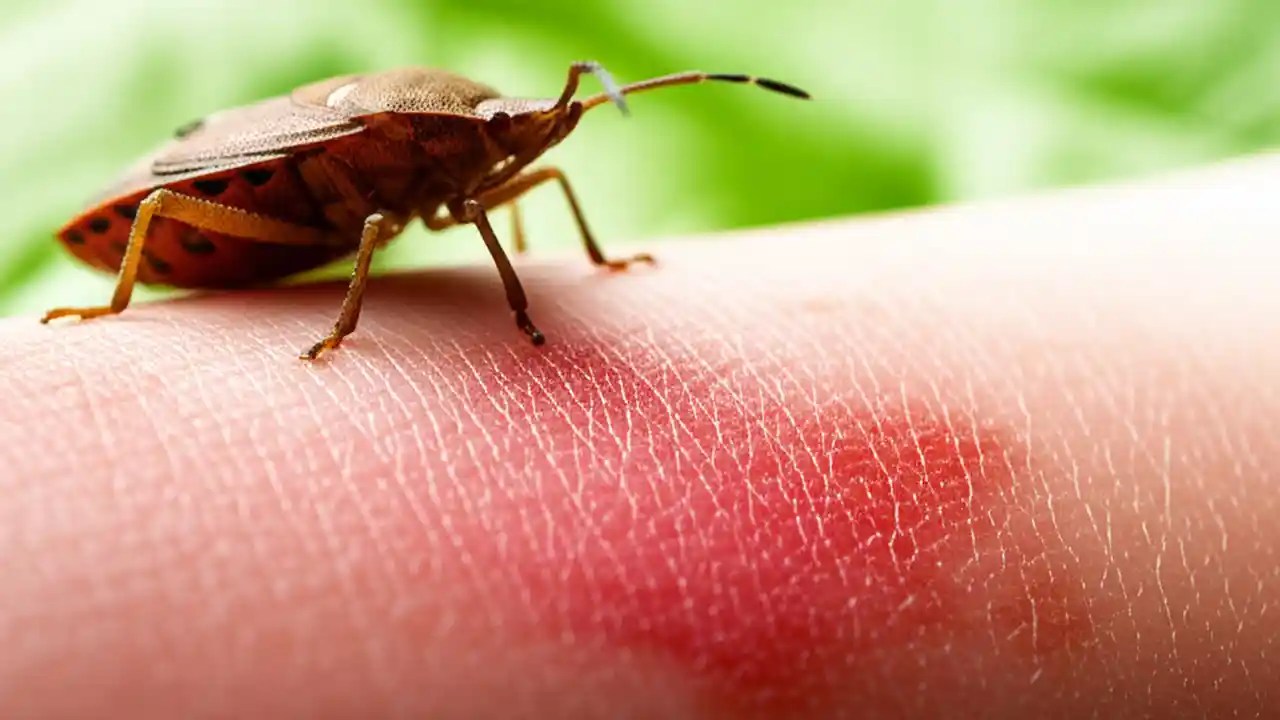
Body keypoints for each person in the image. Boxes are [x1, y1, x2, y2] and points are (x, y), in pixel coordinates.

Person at [1, 155, 1275, 718]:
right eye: (497, 137)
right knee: (351, 230)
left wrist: (596, 268)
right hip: (205, 216)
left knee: (510, 203)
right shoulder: (403, 175)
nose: (528, 148)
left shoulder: (501, 166)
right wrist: (451, 321)